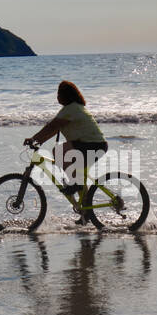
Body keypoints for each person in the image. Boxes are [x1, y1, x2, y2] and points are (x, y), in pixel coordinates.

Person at [24, 81, 108, 219]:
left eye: (59, 94)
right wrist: (39, 140)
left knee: (59, 152)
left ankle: (75, 185)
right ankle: (86, 214)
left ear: (65, 95)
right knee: (77, 176)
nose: (57, 97)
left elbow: (52, 127)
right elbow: (53, 129)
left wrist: (34, 139)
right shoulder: (73, 108)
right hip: (92, 145)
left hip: (92, 145)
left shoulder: (71, 109)